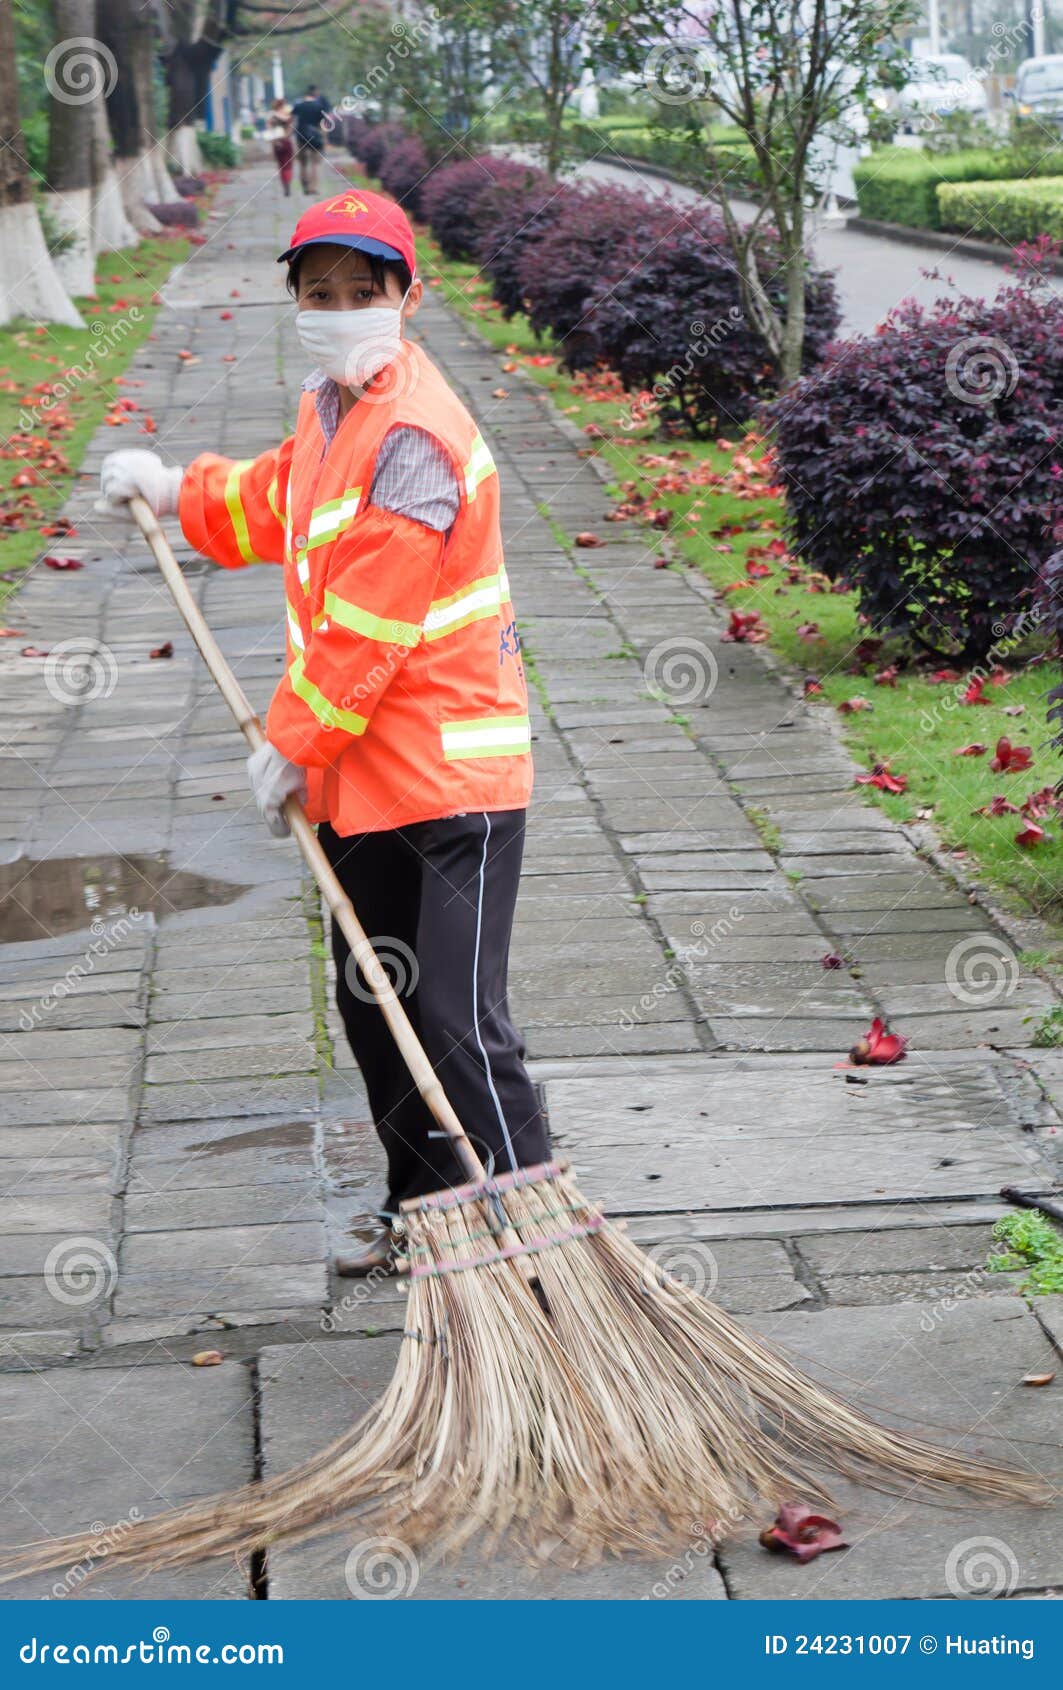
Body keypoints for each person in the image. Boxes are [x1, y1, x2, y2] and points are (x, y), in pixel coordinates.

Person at [97, 188, 552, 1275]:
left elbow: (368, 625)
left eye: (364, 291)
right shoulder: (332, 408)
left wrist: (293, 741)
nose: (341, 308)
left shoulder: (418, 435)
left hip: (453, 788)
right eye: (320, 292)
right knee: (375, 1005)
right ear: (296, 300)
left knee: (453, 1019)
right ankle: (431, 1219)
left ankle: (540, 1242)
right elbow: (280, 501)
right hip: (364, 780)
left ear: (407, 297)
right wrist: (178, 489)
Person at [289, 85, 330, 195]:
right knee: (315, 164)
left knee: (303, 163)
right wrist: (325, 140)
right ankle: (313, 187)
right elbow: (323, 126)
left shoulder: (298, 106)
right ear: (315, 93)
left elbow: (292, 123)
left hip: (301, 135)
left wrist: (289, 136)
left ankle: (305, 187)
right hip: (315, 137)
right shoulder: (319, 107)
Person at [266, 96, 294, 197]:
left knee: (281, 166)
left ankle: (284, 185)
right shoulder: (288, 116)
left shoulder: (272, 117)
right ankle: (288, 184)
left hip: (277, 144)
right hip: (286, 142)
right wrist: (285, 136)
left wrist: (274, 143)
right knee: (288, 165)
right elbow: (291, 130)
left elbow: (269, 131)